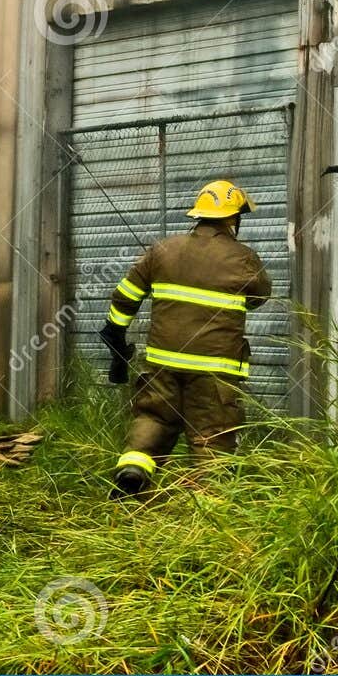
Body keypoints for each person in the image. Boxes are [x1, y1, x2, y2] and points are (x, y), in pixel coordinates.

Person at [99, 180, 272, 497]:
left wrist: (116, 332)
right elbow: (259, 297)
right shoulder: (244, 258)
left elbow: (125, 297)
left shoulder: (162, 250)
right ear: (233, 219)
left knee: (154, 417)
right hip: (214, 370)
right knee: (212, 433)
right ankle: (208, 509)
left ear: (199, 214)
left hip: (162, 363)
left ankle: (133, 470)